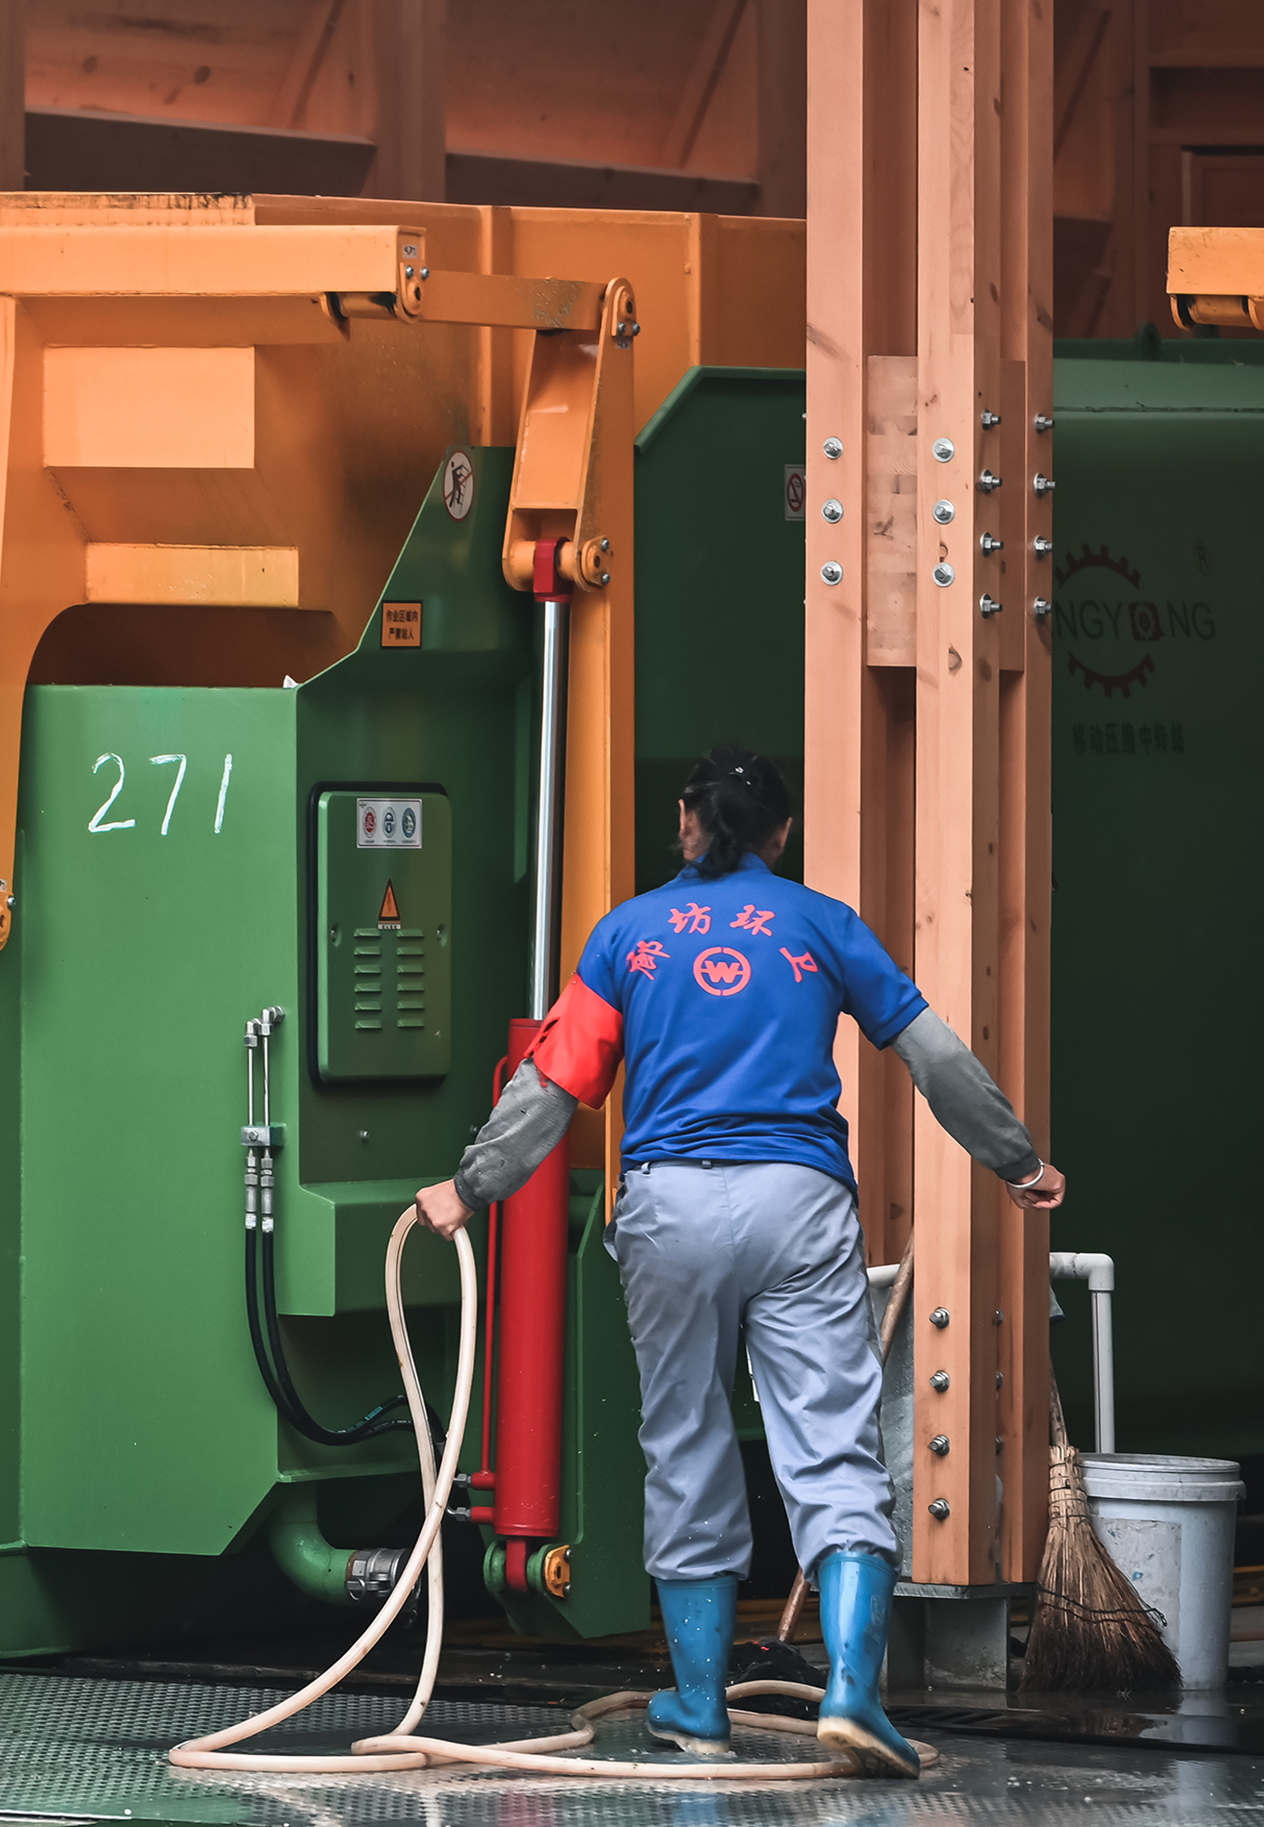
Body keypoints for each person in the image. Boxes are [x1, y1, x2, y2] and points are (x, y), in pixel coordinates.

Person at [414, 748, 1063, 1779]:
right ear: (782, 833)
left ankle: (701, 1704)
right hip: (797, 1201)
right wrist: (1017, 1161)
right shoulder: (820, 922)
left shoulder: (626, 933)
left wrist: (471, 1185)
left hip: (670, 1203)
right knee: (832, 1443)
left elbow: (553, 1081)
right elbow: (937, 1054)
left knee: (686, 1439)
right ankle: (851, 1690)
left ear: (684, 821)